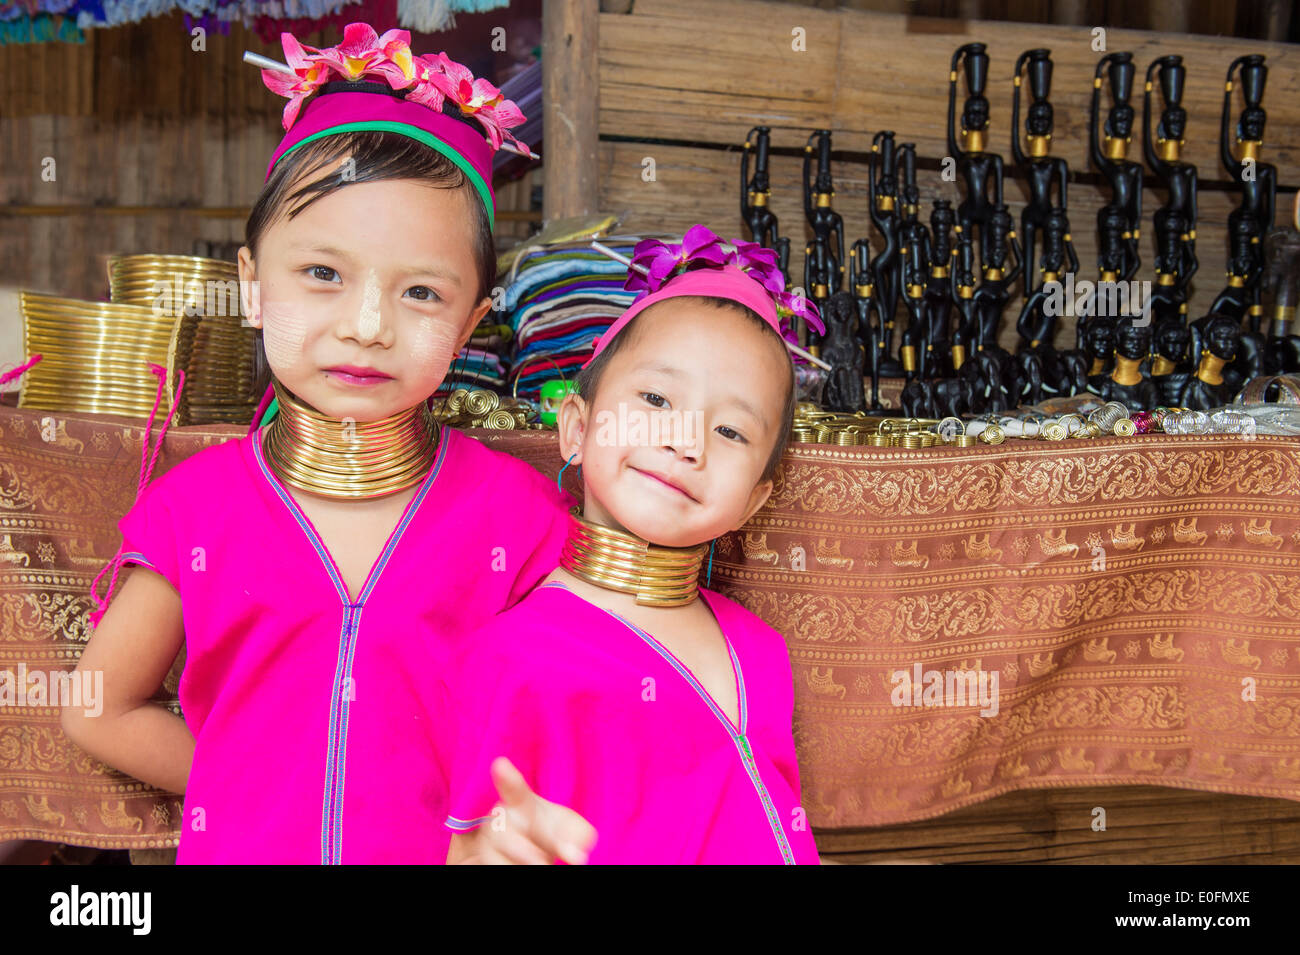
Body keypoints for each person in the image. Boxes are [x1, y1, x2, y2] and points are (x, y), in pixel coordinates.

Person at [61, 23, 575, 864]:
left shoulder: (520, 517)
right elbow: (95, 705)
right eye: (323, 275)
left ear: (474, 323)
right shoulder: (195, 509)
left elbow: (569, 718)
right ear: (253, 288)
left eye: (419, 291)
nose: (366, 328)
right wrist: (251, 791)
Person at [441, 227, 823, 864]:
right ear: (578, 429)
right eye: (655, 399)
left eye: (730, 429)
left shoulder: (760, 651)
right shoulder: (515, 656)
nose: (686, 442)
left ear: (755, 499)